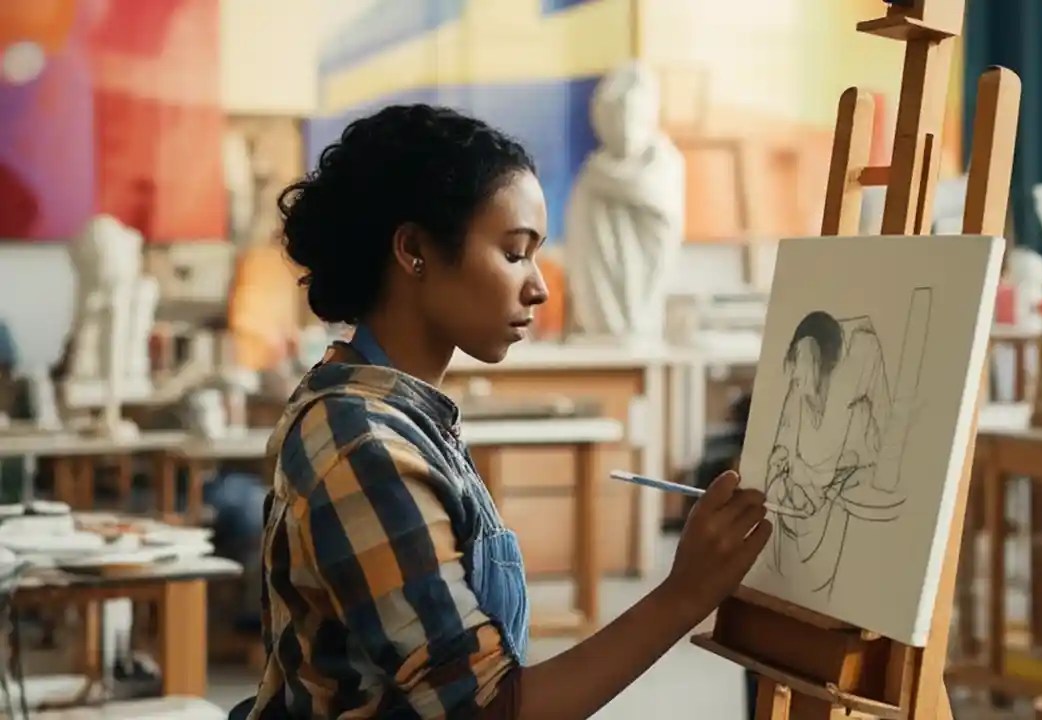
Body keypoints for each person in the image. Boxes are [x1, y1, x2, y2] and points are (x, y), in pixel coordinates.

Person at [239, 104, 772, 719]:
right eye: (515, 253)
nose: (539, 286)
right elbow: (489, 711)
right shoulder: (366, 447)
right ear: (414, 250)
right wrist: (683, 595)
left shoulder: (401, 417)